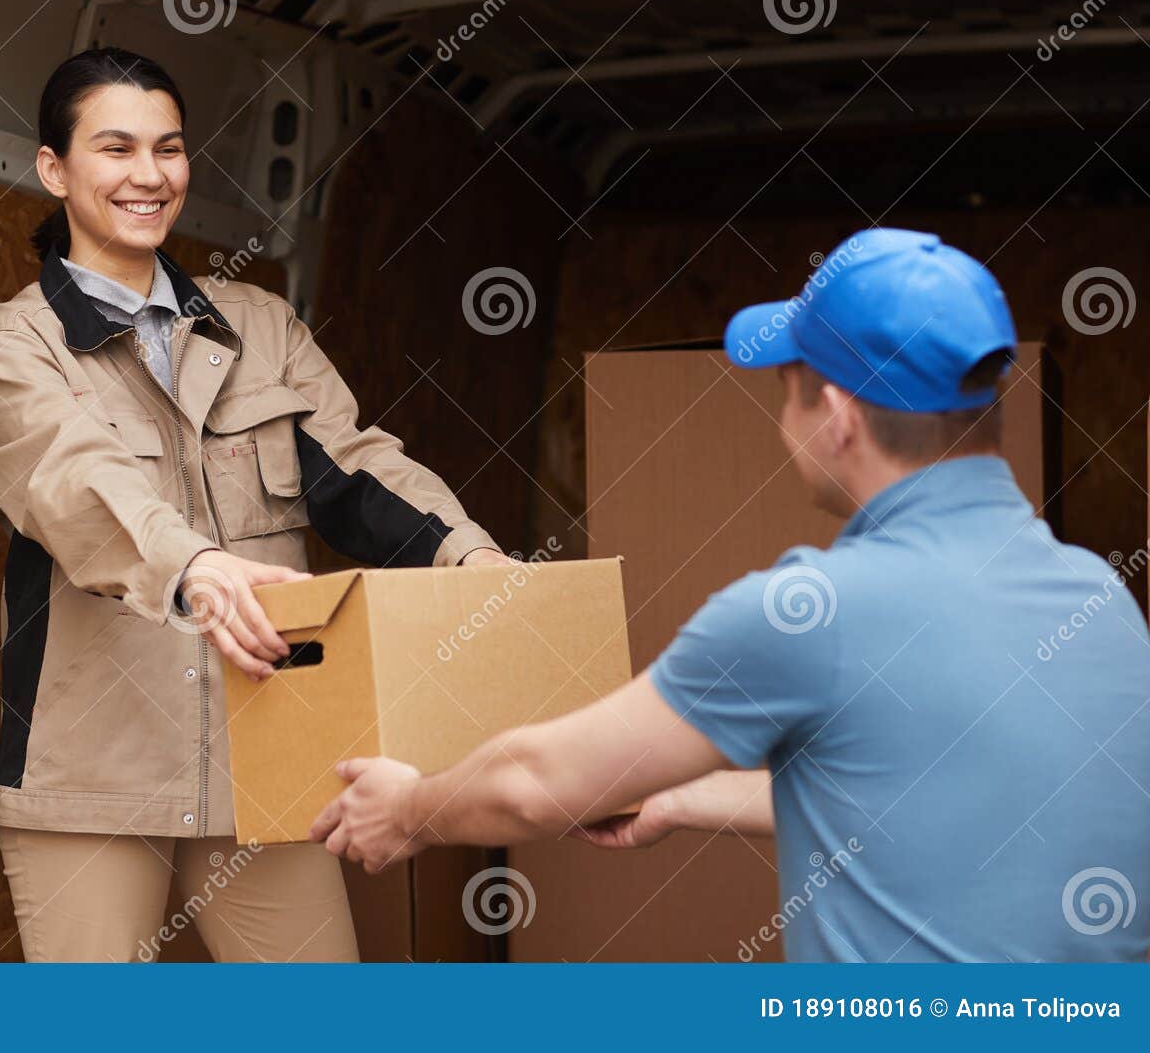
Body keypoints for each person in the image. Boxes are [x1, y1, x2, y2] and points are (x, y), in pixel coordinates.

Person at [312, 228, 1150, 962]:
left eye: (786, 386)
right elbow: (915, 800)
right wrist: (681, 795)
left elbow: (538, 780)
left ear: (838, 415)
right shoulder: (1100, 600)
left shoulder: (812, 610)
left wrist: (412, 807)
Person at [0, 47, 508, 962]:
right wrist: (197, 569)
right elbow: (74, 477)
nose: (149, 175)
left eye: (169, 150)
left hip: (264, 753)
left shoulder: (258, 324)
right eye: (117, 148)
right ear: (56, 169)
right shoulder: (17, 345)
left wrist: (467, 556)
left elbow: (355, 467)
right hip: (90, 770)